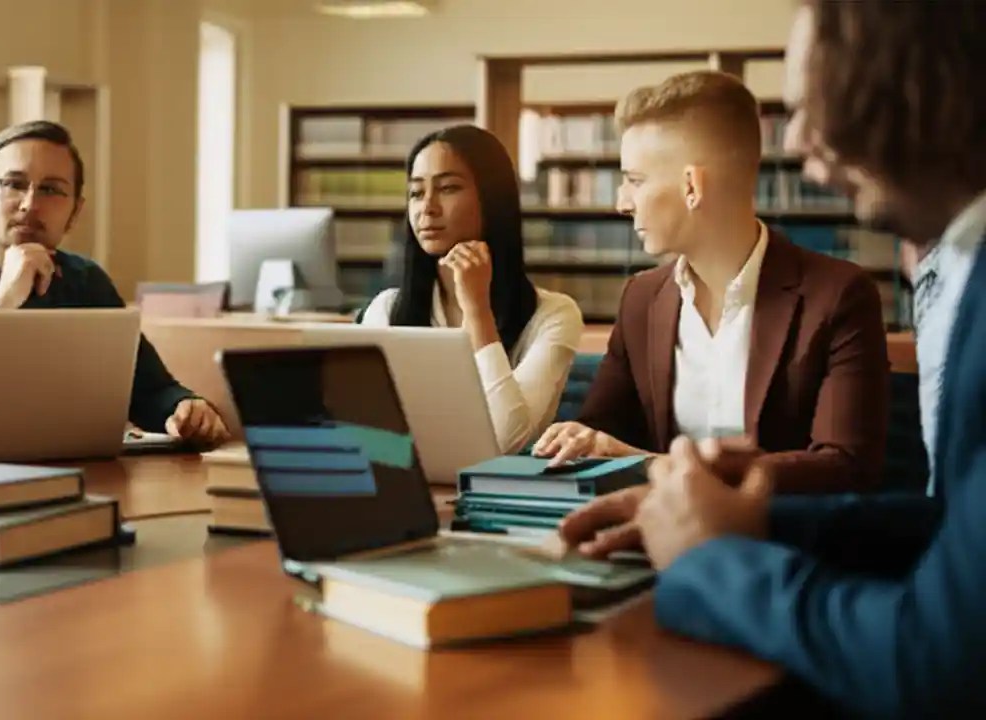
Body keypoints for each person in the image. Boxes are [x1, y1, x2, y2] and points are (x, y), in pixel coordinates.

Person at [559, 3, 986, 715]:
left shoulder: (917, 286)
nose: (797, 142)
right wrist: (743, 521)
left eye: (818, 99)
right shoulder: (967, 273)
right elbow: (955, 527)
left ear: (909, 83)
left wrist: (710, 560)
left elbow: (938, 665)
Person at [531, 70, 890, 494]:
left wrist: (651, 465)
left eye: (634, 180)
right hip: (649, 548)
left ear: (691, 186)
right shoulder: (642, 299)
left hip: (780, 549)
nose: (622, 203)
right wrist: (578, 438)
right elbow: (599, 434)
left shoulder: (839, 296)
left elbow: (845, 468)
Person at [0, 120, 227, 448]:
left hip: (61, 469)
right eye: (13, 184)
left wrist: (186, 408)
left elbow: (148, 389)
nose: (30, 204)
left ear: (74, 212)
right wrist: (1, 306)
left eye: (51, 190)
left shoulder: (86, 282)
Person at [359, 125, 584, 454]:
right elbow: (363, 429)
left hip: (499, 497)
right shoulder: (386, 309)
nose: (428, 208)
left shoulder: (553, 314)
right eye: (416, 193)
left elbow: (505, 440)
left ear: (492, 199)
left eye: (448, 188)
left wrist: (477, 310)